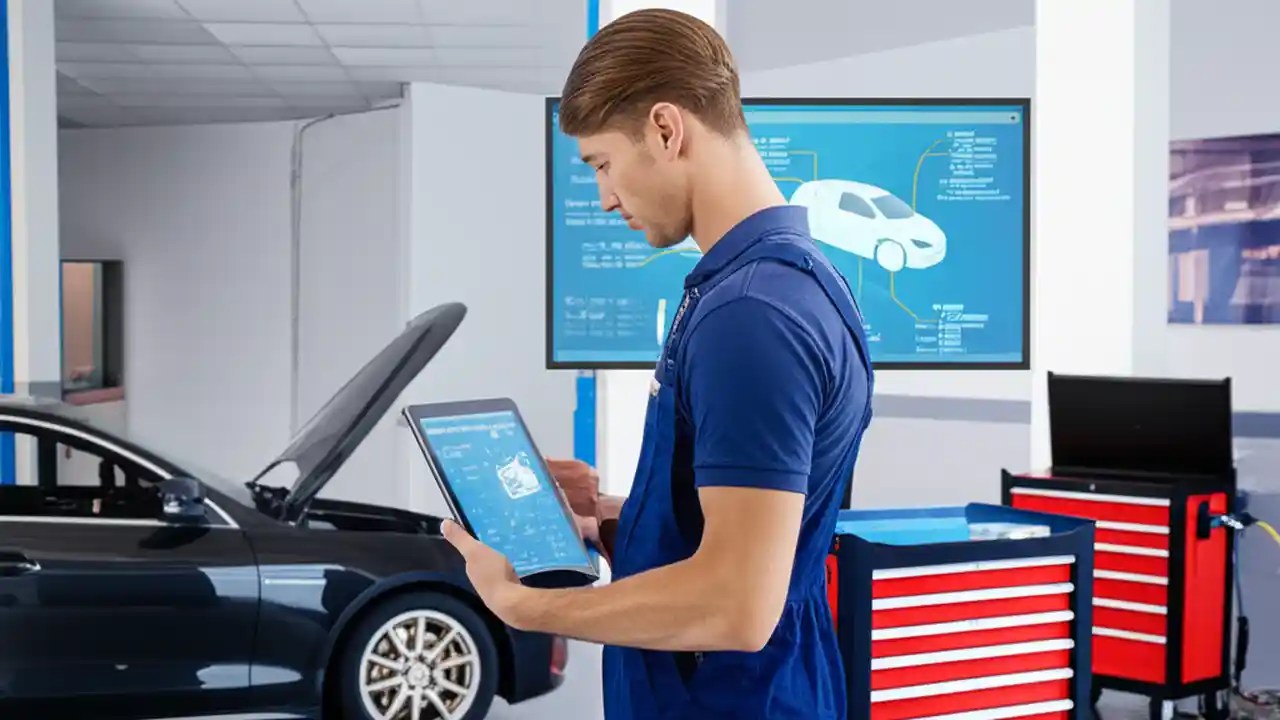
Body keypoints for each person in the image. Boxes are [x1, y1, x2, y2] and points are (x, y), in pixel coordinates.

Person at [442, 8, 874, 719]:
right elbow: (747, 527)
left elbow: (735, 605)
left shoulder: (751, 318)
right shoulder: (782, 287)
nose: (606, 197)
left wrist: (522, 606)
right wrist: (612, 521)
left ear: (667, 130)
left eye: (603, 164)